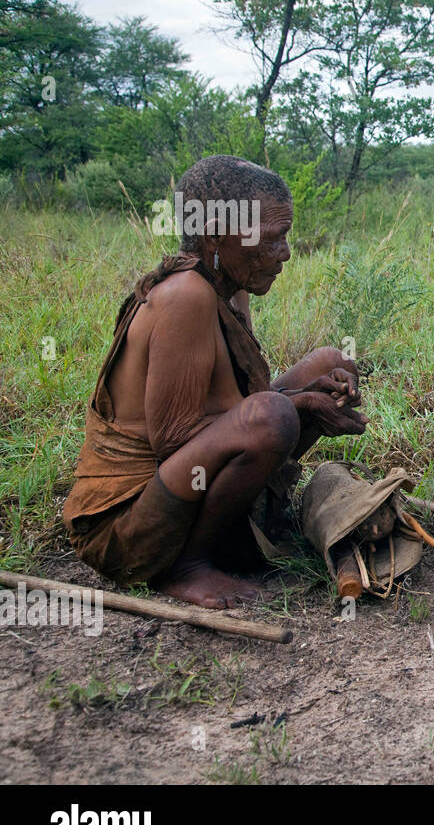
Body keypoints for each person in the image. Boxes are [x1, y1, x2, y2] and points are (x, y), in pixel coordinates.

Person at [62, 155, 368, 608]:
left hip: (189, 486)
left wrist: (310, 395)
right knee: (275, 413)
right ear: (215, 237)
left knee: (330, 360)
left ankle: (241, 526)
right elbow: (174, 441)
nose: (285, 253)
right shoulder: (185, 296)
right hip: (131, 528)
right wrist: (300, 406)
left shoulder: (230, 285)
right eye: (272, 239)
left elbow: (232, 410)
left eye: (285, 236)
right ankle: (188, 566)